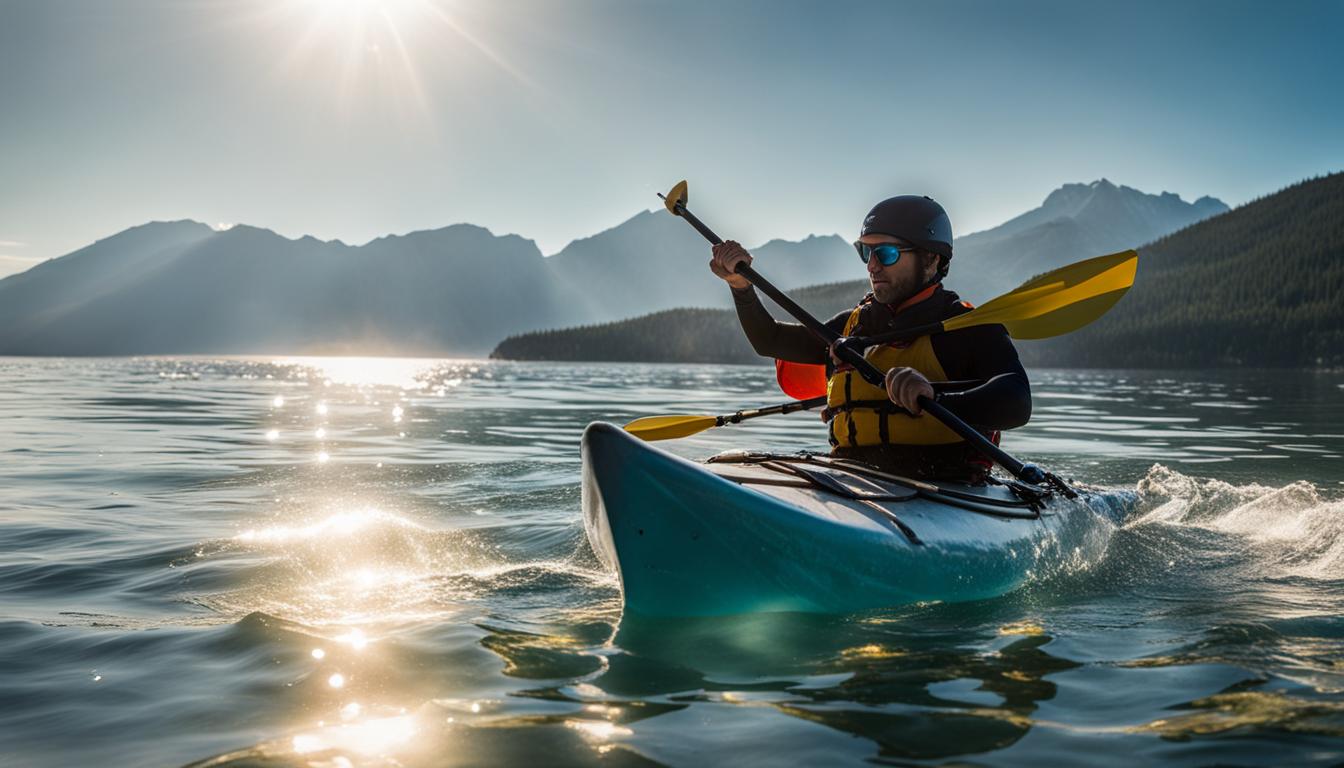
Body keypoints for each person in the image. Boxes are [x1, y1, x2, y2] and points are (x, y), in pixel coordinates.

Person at [708, 195, 1030, 482]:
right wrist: (741, 286)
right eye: (866, 251)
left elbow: (1018, 401)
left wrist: (935, 396)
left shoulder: (965, 327)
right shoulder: (851, 328)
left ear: (931, 260)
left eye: (887, 253)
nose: (872, 265)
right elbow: (771, 340)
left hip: (947, 486)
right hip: (851, 478)